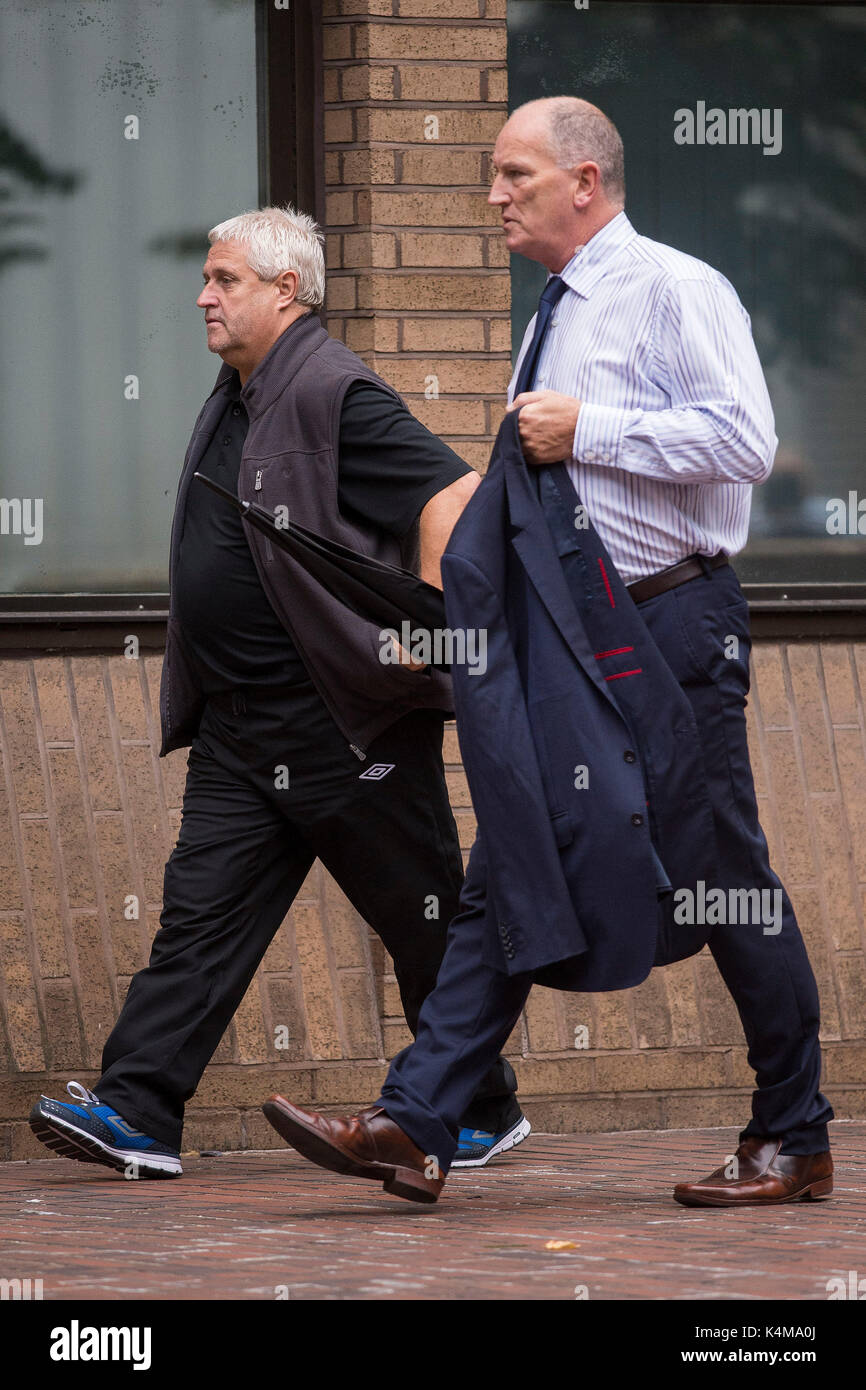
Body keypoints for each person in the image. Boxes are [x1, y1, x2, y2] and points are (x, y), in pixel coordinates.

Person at [260, 100, 834, 1208]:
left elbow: (745, 440)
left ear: (583, 180)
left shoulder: (673, 287)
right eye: (489, 175)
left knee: (723, 883)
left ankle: (793, 1134)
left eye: (511, 174)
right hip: (572, 639)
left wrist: (590, 428)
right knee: (512, 851)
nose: (491, 195)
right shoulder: (550, 312)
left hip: (671, 628)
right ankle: (416, 1124)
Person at [29, 205, 526, 1178]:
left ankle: (477, 1105)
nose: (203, 295)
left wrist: (420, 640)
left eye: (225, 280)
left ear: (285, 290)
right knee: (199, 916)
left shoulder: (333, 389)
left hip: (341, 720)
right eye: (206, 279)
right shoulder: (244, 391)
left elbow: (454, 499)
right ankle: (137, 1111)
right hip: (241, 725)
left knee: (420, 913)